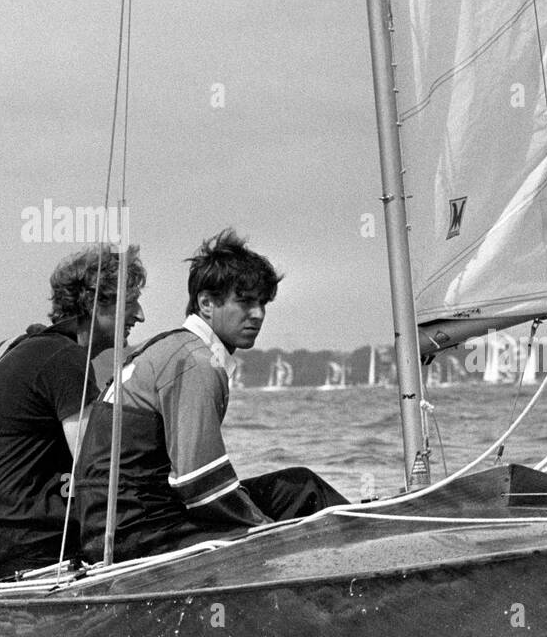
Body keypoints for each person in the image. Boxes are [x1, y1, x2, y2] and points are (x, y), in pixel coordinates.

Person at [74, 229, 345, 563]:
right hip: (139, 533)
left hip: (113, 523)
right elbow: (200, 485)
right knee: (296, 504)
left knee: (299, 488)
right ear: (205, 303)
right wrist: (269, 531)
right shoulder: (194, 362)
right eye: (245, 302)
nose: (258, 314)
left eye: (262, 303)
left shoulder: (174, 347)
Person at [0, 246, 146, 579]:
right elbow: (98, 469)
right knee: (153, 513)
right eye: (130, 302)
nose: (140, 315)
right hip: (26, 541)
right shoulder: (65, 359)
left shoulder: (11, 349)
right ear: (95, 302)